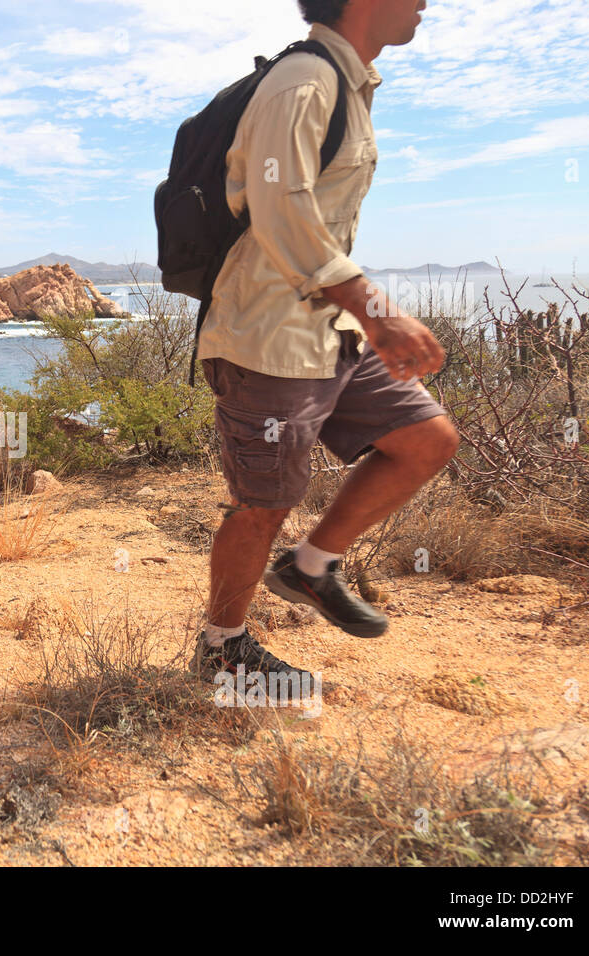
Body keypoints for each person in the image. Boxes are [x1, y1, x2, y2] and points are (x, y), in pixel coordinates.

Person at [194, 0, 459, 692]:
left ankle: (310, 567)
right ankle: (221, 650)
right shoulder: (304, 81)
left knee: (426, 437)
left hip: (325, 330)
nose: (427, 2)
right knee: (264, 501)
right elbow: (284, 212)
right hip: (267, 338)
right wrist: (377, 310)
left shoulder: (347, 85)